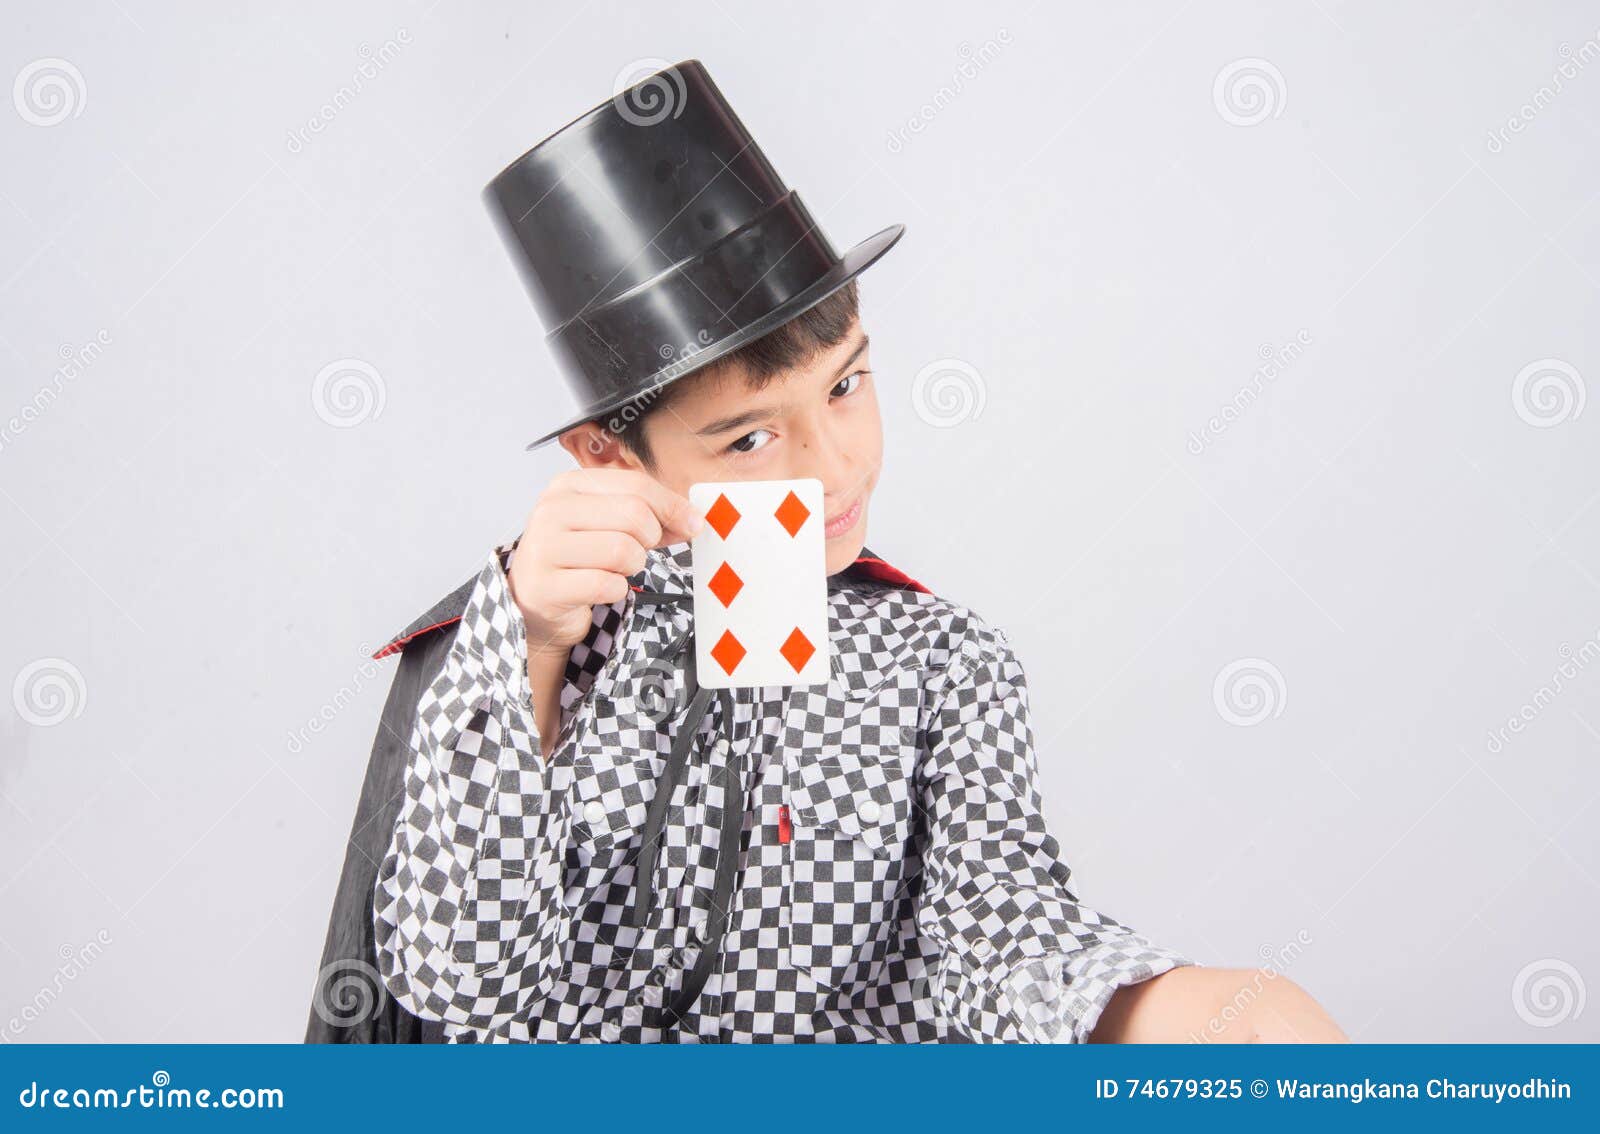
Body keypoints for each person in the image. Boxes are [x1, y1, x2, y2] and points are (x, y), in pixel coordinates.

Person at [305, 59, 1345, 1044]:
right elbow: (460, 981)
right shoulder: (512, 657)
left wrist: (1181, 1011)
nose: (834, 468)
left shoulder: (936, 664)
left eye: (845, 385)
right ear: (606, 456)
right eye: (748, 440)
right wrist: (530, 648)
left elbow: (1000, 942)